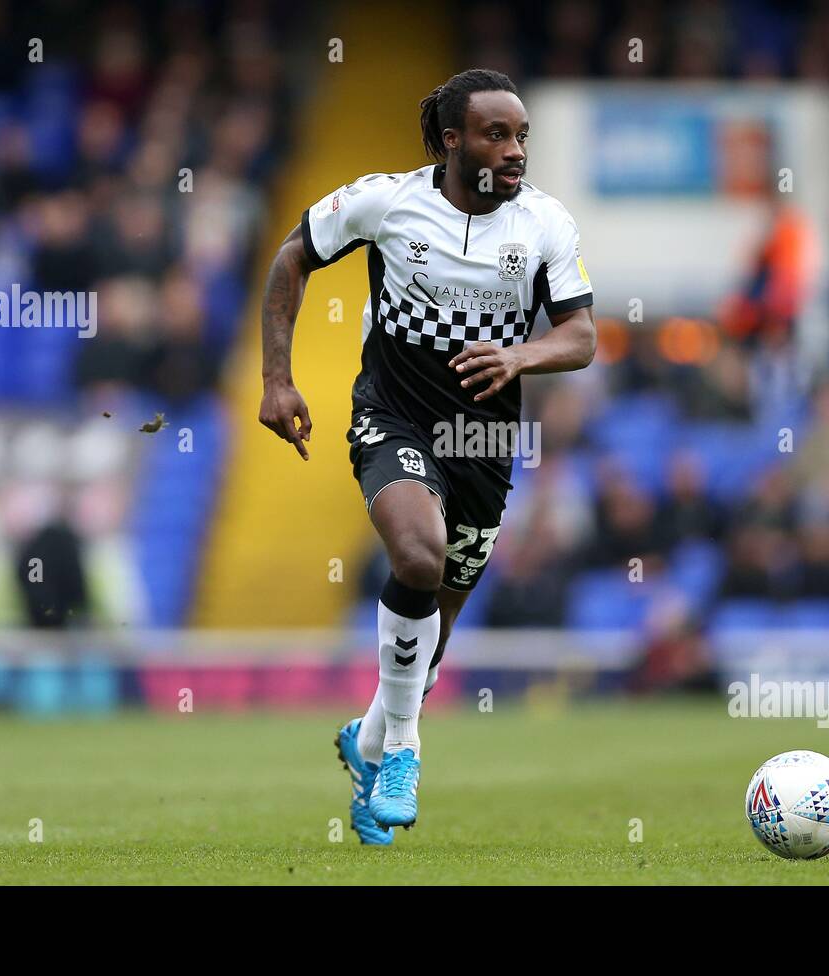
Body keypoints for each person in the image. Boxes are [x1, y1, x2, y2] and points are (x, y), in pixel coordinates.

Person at [256, 69, 597, 843]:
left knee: (432, 638)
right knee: (418, 557)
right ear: (452, 141)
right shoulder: (386, 201)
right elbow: (291, 259)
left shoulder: (545, 223)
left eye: (522, 137)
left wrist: (523, 357)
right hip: (394, 416)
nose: (515, 152)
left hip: (482, 443)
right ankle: (405, 750)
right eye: (497, 135)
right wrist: (278, 379)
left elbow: (581, 336)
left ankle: (369, 740)